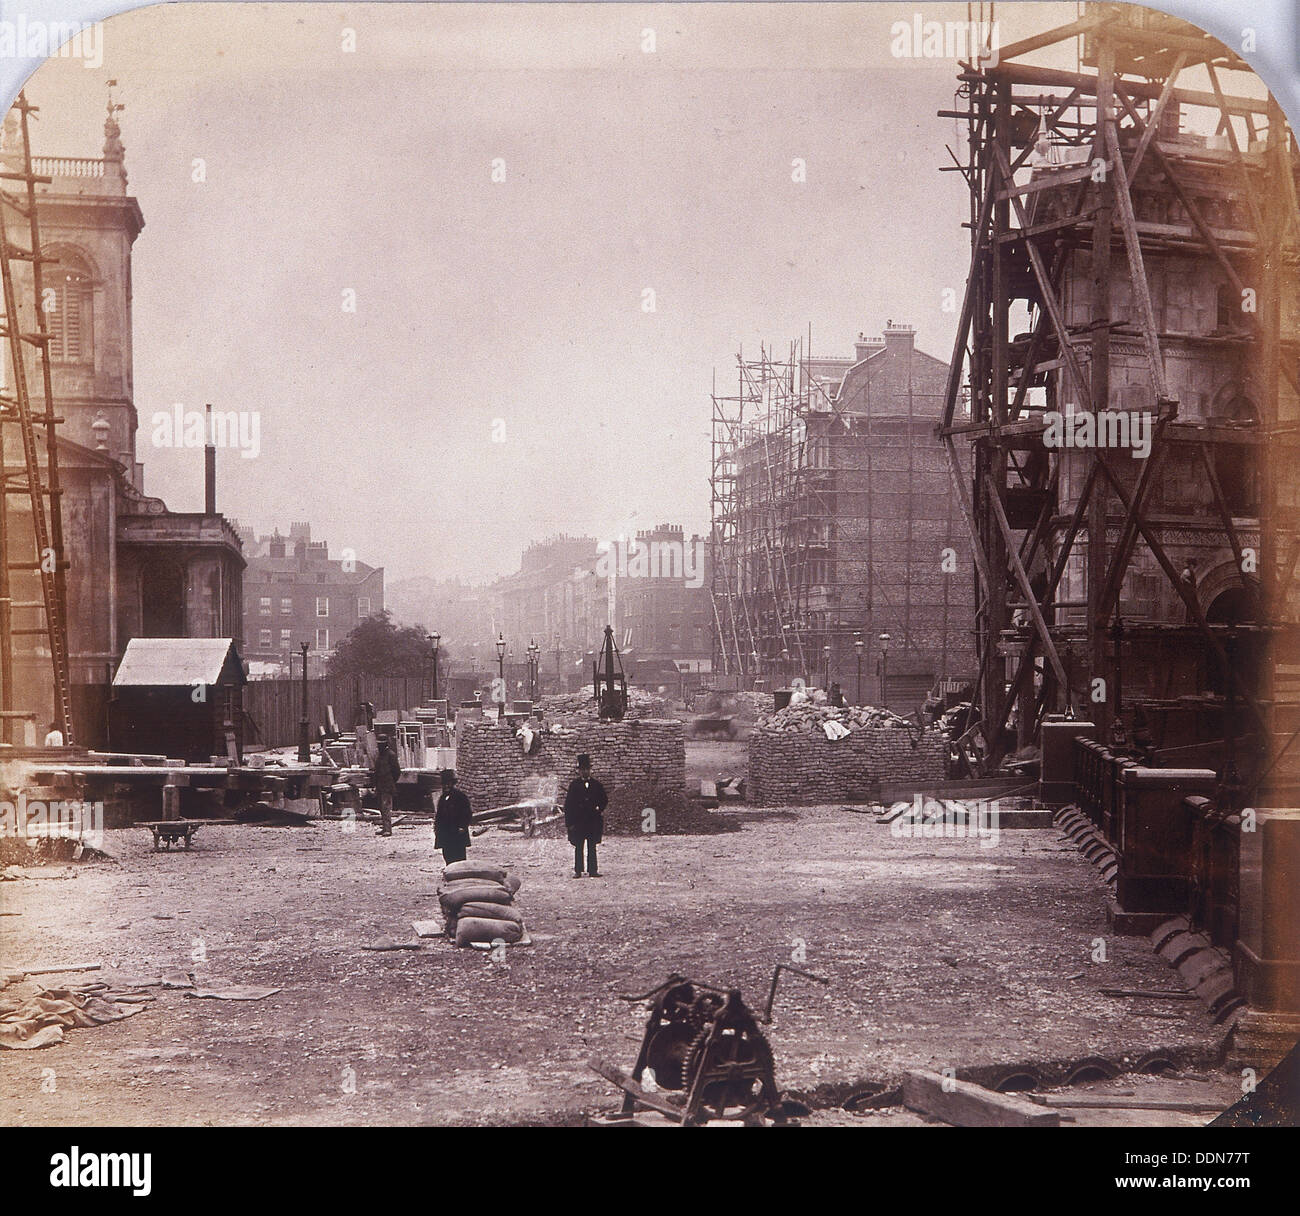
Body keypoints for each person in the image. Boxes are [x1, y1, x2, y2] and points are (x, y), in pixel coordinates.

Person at [564, 753, 607, 878]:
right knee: (579, 846)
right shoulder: (574, 785)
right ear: (579, 771)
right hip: (578, 822)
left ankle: (593, 870)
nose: (585, 772)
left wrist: (599, 809)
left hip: (593, 821)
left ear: (590, 770)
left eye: (587, 769)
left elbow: (604, 799)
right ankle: (578, 871)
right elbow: (568, 806)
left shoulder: (597, 785)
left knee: (592, 846)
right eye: (583, 770)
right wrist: (570, 823)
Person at [434, 768, 472, 865]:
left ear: (453, 784)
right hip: (446, 833)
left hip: (457, 832)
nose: (446, 786)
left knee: (459, 854)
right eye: (444, 784)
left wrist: (463, 826)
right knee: (447, 854)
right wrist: (437, 828)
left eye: (449, 784)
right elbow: (439, 815)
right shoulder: (443, 798)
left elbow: (467, 813)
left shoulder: (460, 797)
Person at [371, 736, 401, 837]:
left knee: (386, 807)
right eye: (378, 744)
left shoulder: (391, 755)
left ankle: (388, 829)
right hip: (380, 785)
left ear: (386, 744)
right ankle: (384, 827)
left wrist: (391, 781)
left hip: (387, 786)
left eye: (381, 744)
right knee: (381, 807)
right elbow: (377, 771)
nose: (379, 746)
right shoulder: (380, 755)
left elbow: (397, 771)